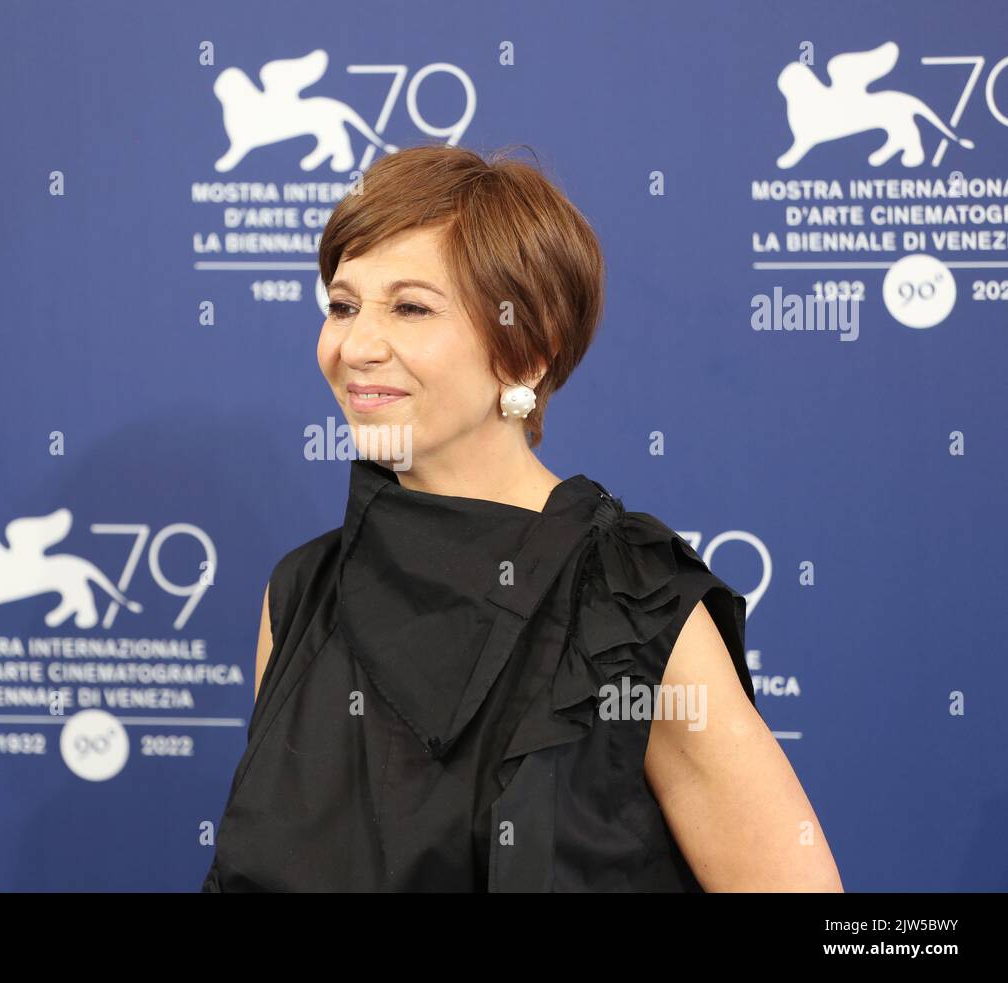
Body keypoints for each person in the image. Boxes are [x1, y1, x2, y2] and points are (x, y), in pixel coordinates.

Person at [201, 144, 843, 892]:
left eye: (410, 307)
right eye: (343, 306)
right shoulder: (302, 592)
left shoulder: (629, 602)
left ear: (526, 351)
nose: (356, 346)